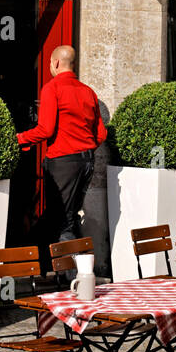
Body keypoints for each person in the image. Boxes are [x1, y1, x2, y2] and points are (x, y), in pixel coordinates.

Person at [16, 45, 107, 247]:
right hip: (86, 161)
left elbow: (45, 130)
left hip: (63, 161)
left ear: (56, 63)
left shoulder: (52, 88)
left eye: (49, 62)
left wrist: (19, 139)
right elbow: (101, 133)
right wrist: (85, 146)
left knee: (63, 222)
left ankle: (75, 274)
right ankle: (34, 260)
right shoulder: (88, 92)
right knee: (66, 216)